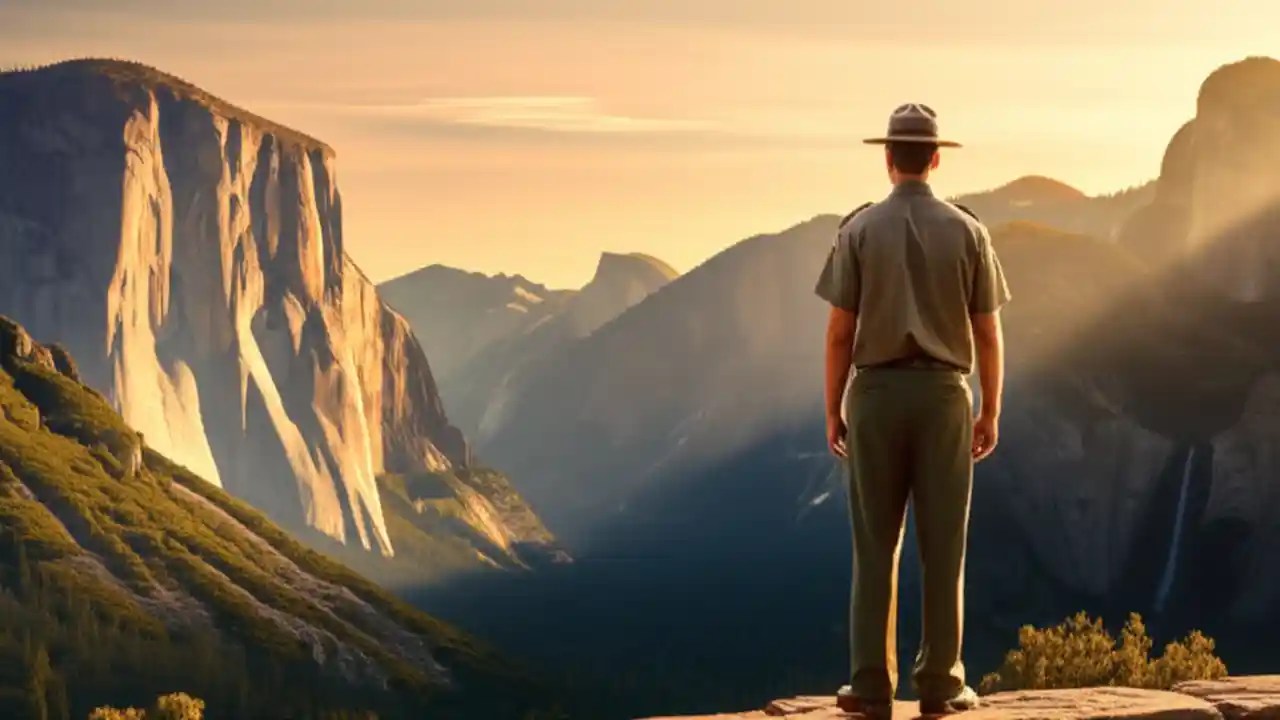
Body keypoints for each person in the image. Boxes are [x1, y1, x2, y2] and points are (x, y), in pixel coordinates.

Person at [813, 103, 1010, 719]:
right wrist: (990, 410)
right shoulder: (969, 231)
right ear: (935, 158)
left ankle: (870, 686)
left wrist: (833, 410)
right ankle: (941, 685)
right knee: (944, 544)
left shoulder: (858, 231)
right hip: (946, 397)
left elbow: (839, 332)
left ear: (887, 158)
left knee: (875, 544)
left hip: (874, 395)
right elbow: (989, 331)